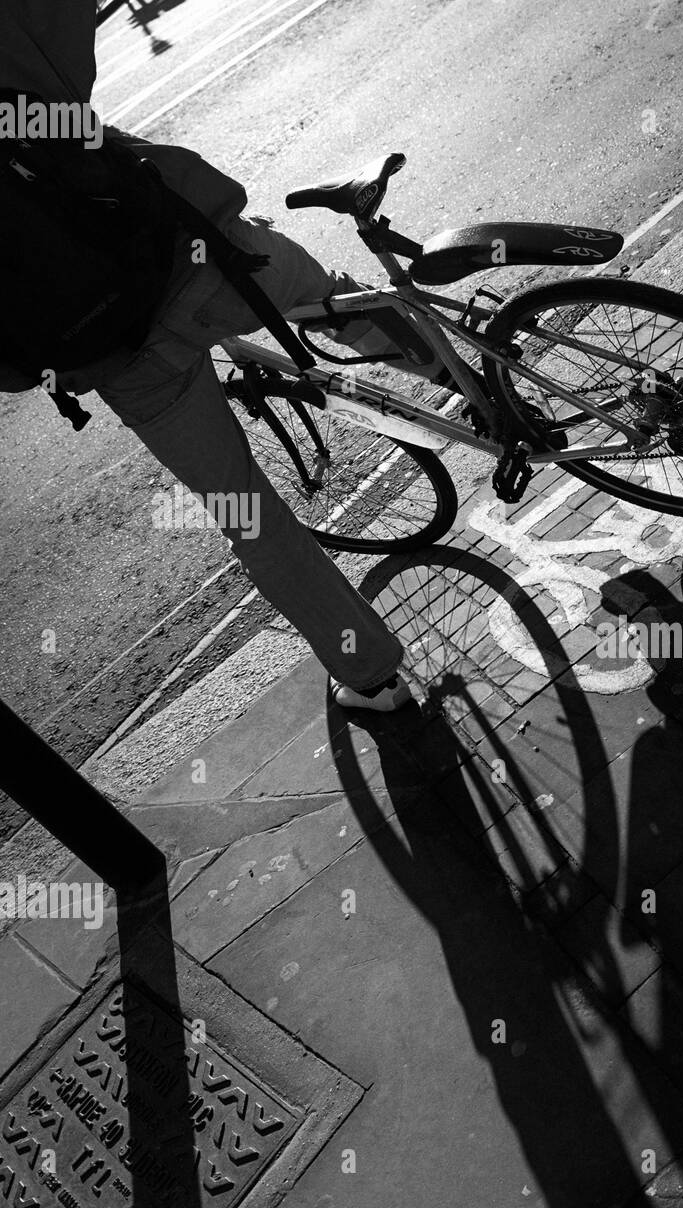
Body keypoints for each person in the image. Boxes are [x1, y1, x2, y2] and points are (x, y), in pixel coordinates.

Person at [1, 0, 445, 710]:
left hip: (121, 359)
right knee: (340, 305)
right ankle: (491, 390)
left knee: (250, 514)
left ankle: (374, 678)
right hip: (201, 254)